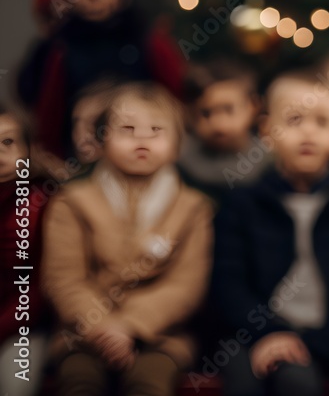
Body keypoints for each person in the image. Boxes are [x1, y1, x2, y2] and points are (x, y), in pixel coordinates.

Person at [211, 70, 329, 396]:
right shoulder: (242, 203)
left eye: (322, 122)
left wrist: (312, 342)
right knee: (272, 383)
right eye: (294, 119)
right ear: (267, 130)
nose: (308, 132)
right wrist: (270, 333)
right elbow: (230, 286)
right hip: (260, 331)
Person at [41, 82, 213, 396]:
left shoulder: (193, 208)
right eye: (127, 129)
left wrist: (130, 325)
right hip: (82, 334)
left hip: (159, 337)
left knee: (149, 385)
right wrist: (102, 327)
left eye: (156, 130)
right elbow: (63, 277)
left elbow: (186, 284)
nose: (141, 140)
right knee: (80, 383)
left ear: (178, 143)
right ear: (102, 139)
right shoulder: (72, 201)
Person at [33, 0, 185, 159]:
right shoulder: (61, 46)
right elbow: (50, 111)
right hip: (81, 154)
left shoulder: (147, 39)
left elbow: (174, 95)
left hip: (142, 147)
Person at [0, 105, 51, 396]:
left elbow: (39, 287)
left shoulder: (42, 201)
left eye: (8, 142)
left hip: (24, 328)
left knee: (16, 385)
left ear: (29, 148)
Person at [177, 59, 266, 201]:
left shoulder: (270, 163)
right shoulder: (179, 162)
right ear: (190, 113)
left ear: (254, 106)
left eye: (228, 110)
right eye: (206, 113)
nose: (219, 124)